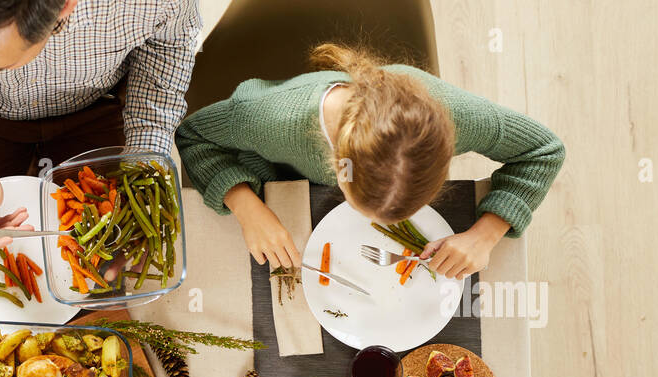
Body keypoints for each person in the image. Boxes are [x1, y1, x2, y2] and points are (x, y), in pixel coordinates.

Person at [175, 43, 566, 278]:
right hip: (268, 168)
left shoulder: (456, 117)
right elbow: (192, 135)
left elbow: (544, 150)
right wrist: (244, 204)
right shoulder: (268, 118)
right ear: (338, 165)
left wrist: (486, 234)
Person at [0, 0, 200, 249]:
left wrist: (142, 163)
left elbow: (167, 50)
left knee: (113, 249)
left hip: (98, 108)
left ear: (65, 6)